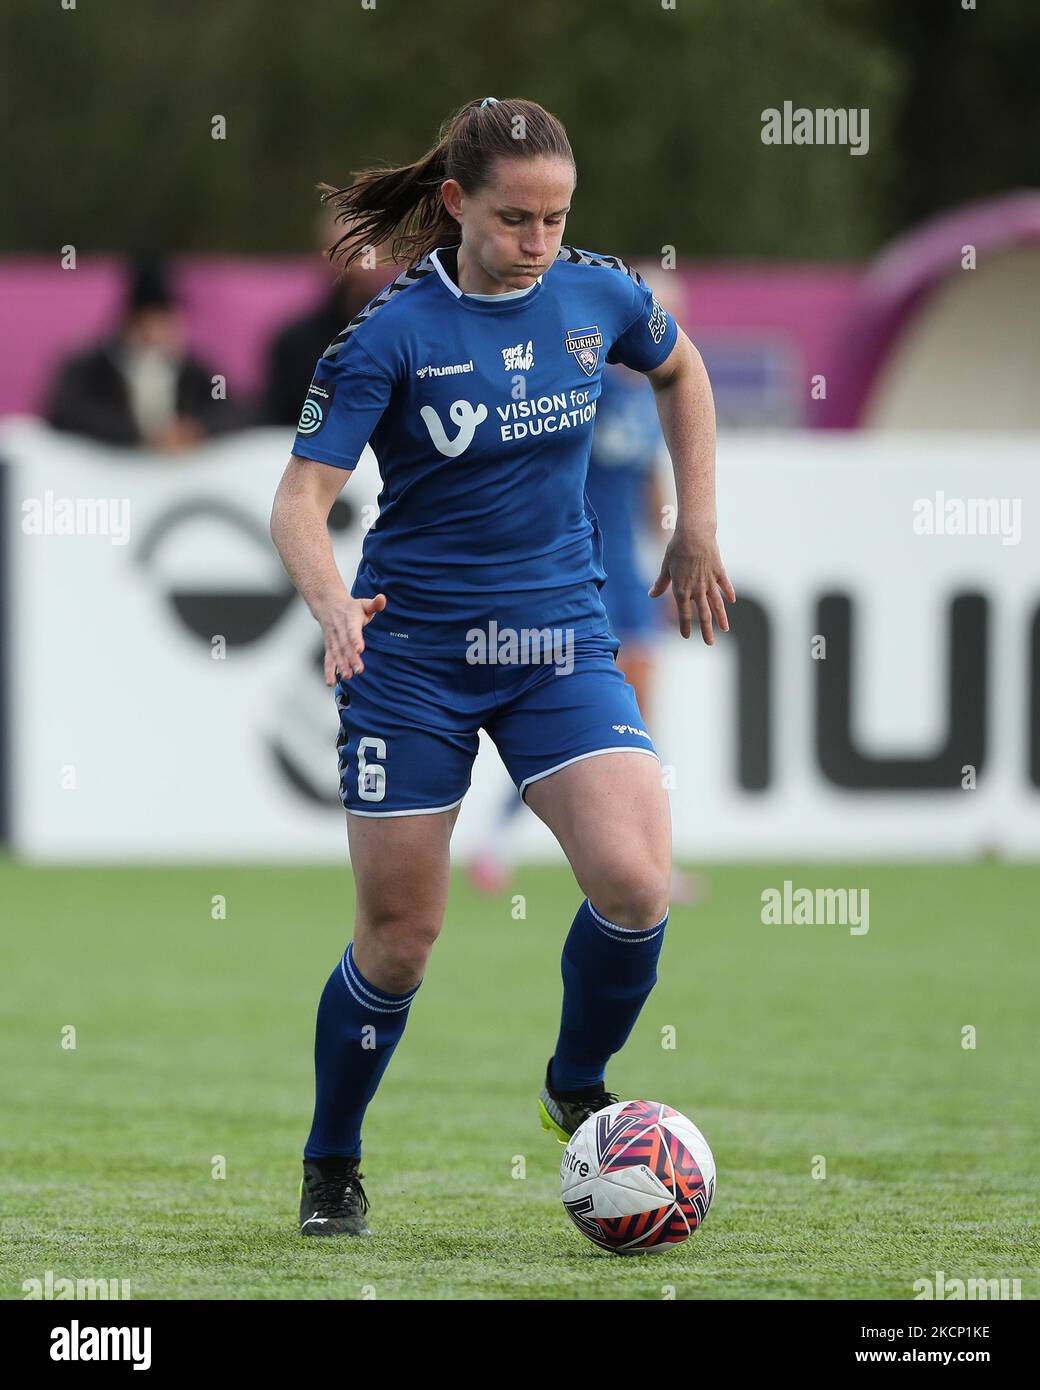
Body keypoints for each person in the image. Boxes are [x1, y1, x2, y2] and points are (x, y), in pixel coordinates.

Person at [270, 97, 734, 1238]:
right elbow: (298, 500)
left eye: (556, 218)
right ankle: (333, 1158)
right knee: (401, 938)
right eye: (516, 219)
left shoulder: (595, 294)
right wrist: (332, 601)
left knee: (632, 883)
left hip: (556, 646)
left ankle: (574, 1082)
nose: (538, 242)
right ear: (453, 207)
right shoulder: (385, 336)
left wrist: (693, 526)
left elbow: (683, 374)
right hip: (414, 659)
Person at [46, 257, 242, 451]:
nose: (159, 333)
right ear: (131, 322)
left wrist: (196, 429)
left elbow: (235, 411)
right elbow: (66, 413)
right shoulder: (90, 368)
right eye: (150, 322)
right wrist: (140, 434)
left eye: (165, 321)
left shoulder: (194, 371)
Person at [262, 212, 393, 426]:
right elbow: (279, 426)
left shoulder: (413, 334)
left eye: (365, 252)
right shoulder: (295, 344)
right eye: (344, 254)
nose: (357, 267)